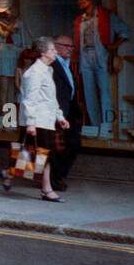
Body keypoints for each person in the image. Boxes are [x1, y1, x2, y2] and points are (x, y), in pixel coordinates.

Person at [18, 36, 72, 201]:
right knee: (43, 156)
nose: (55, 52)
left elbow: (50, 98)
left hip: (47, 121)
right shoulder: (34, 73)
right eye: (52, 50)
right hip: (38, 121)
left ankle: (8, 174)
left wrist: (60, 117)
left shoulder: (47, 71)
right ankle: (47, 190)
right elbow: (29, 100)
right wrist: (30, 123)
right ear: (43, 53)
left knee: (41, 156)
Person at [73, 0, 129, 138]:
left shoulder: (105, 15)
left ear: (91, 0)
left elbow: (125, 31)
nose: (79, 2)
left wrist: (114, 45)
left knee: (105, 93)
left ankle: (106, 127)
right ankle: (95, 126)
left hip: (100, 57)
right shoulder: (80, 19)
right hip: (85, 57)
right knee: (89, 94)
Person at [49, 33, 83, 193]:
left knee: (73, 143)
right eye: (66, 46)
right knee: (57, 147)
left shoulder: (66, 64)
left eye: (72, 47)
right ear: (55, 46)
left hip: (67, 111)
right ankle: (53, 179)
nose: (70, 49)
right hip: (56, 112)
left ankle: (58, 176)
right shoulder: (52, 65)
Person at [0, 0, 27, 116]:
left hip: (16, 52)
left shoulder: (18, 21)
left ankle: (17, 116)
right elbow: (4, 33)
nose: (6, 14)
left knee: (18, 84)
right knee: (4, 86)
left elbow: (12, 30)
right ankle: (5, 117)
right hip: (4, 53)